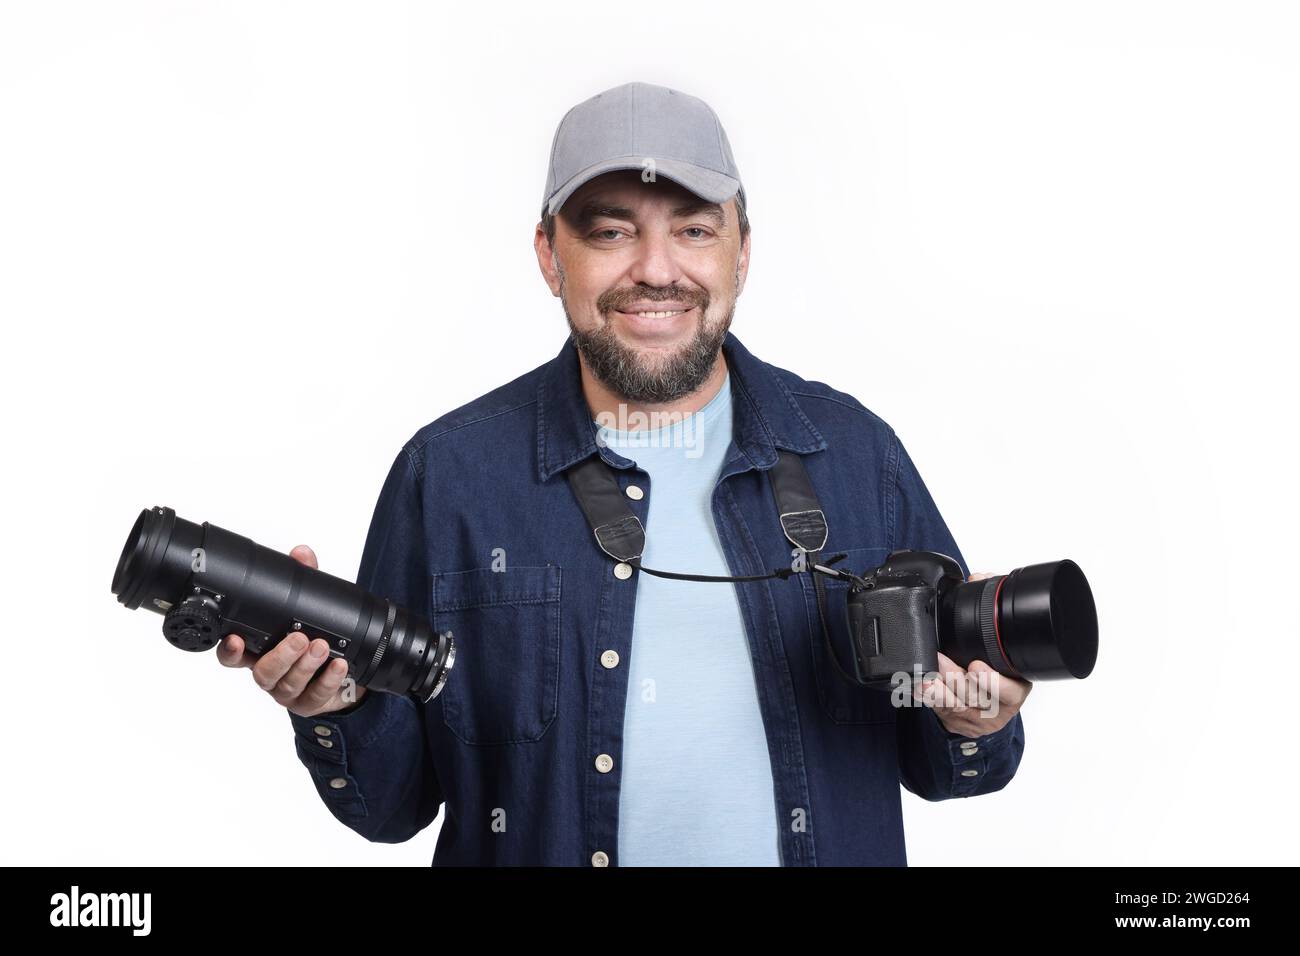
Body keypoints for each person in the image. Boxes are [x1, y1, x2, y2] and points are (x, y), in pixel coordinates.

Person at [217, 81, 1028, 866]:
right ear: (548, 254)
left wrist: (973, 719)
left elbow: (949, 764)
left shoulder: (853, 452)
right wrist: (339, 705)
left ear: (742, 251)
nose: (655, 269)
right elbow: (391, 809)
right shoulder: (450, 475)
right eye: (610, 233)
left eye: (695, 231)